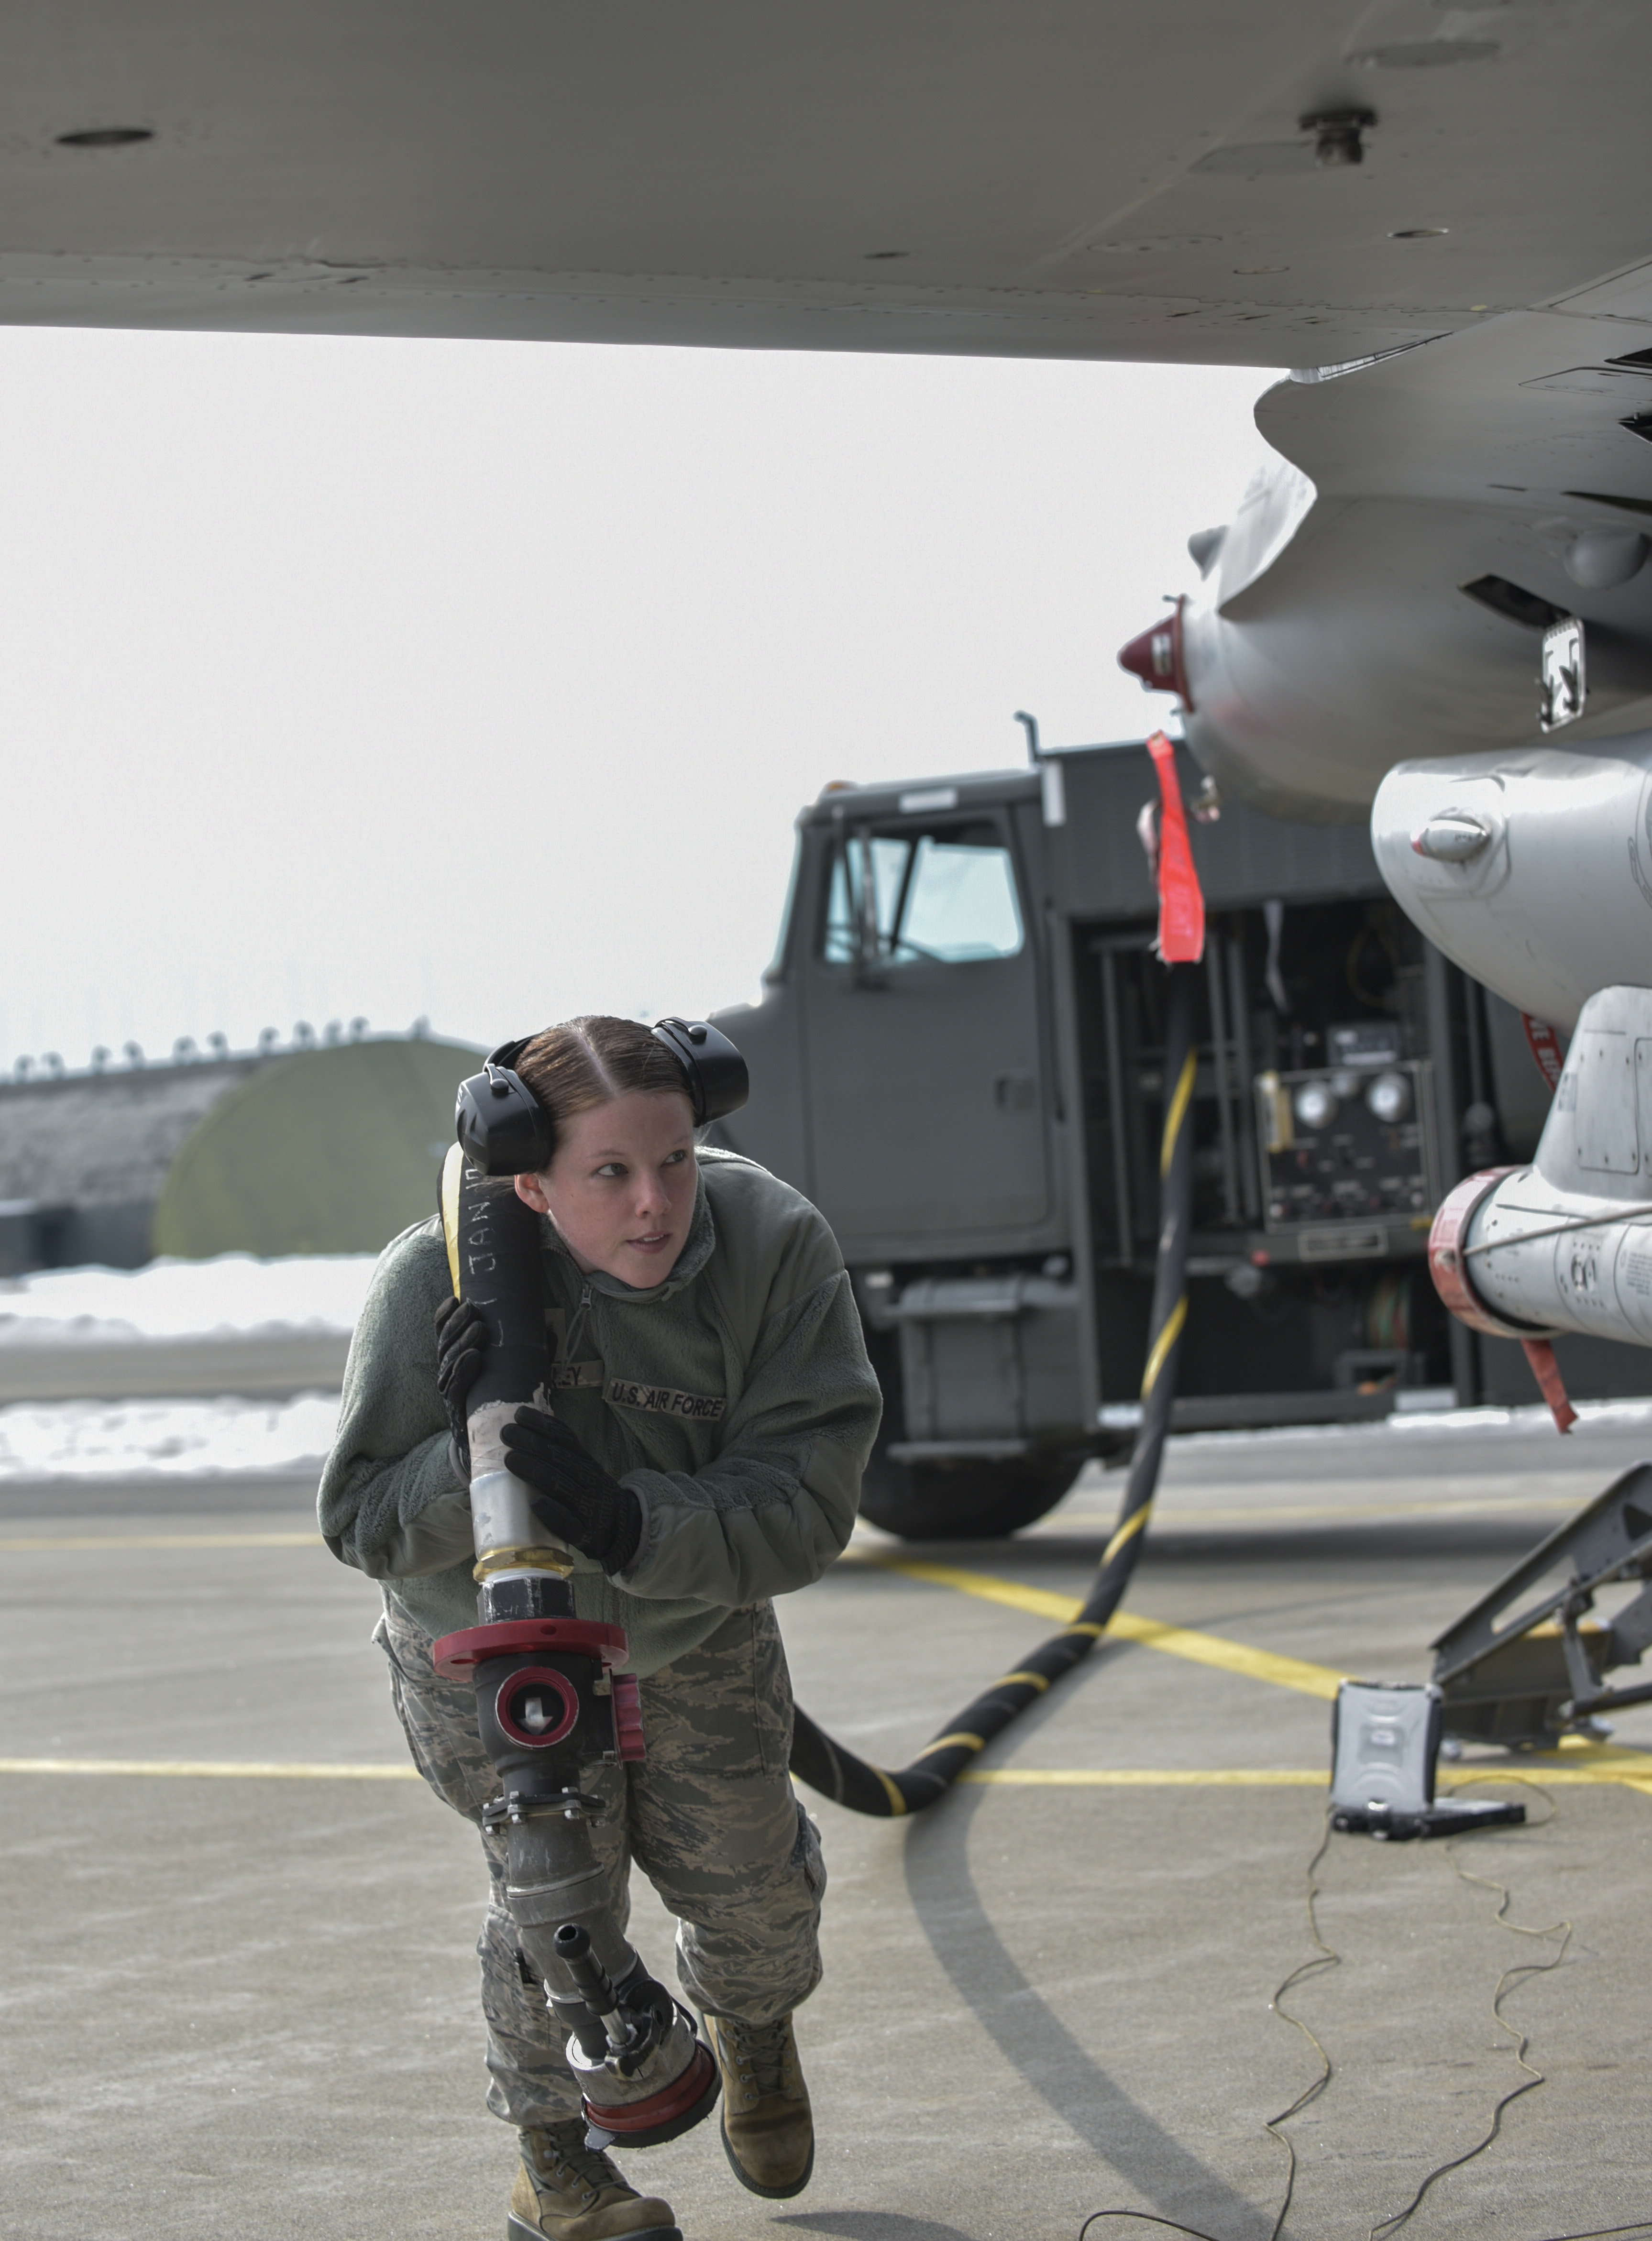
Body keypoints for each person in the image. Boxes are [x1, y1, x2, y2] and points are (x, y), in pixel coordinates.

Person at [318, 1015, 882, 2241]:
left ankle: (753, 2027)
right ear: (528, 1179)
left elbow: (807, 1504)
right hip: (492, 1647)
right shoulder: (433, 1280)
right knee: (554, 1902)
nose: (654, 1205)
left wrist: (632, 1524)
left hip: (688, 1627)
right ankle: (556, 2163)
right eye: (609, 1175)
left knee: (753, 1891)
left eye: (675, 1161)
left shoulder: (774, 1250)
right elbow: (361, 1520)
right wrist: (458, 1452)